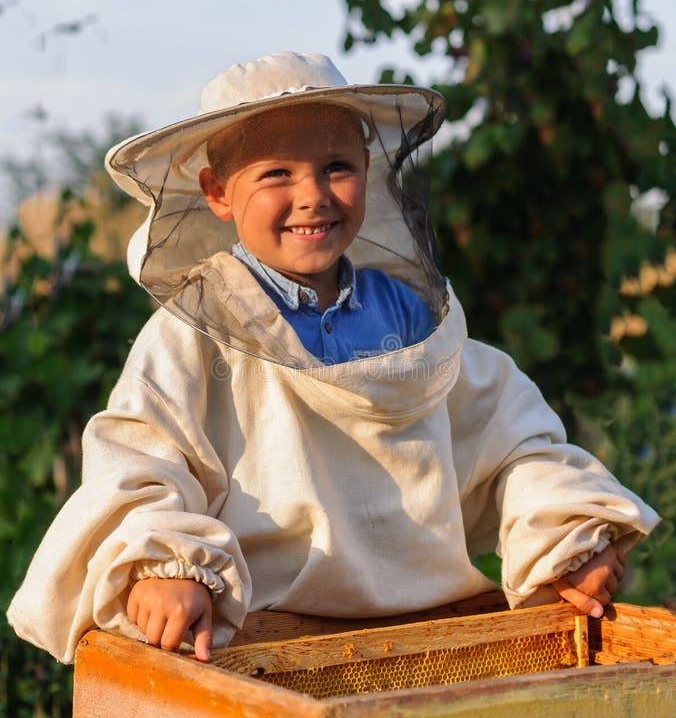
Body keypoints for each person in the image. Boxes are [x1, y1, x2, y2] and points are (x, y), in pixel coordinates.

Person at [7, 52, 659, 664]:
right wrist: (164, 567)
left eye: (335, 167)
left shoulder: (408, 316)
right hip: (261, 637)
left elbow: (506, 434)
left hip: (430, 631)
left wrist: (566, 538)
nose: (313, 194)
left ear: (368, 172)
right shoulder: (197, 331)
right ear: (217, 192)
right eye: (277, 175)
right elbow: (144, 456)